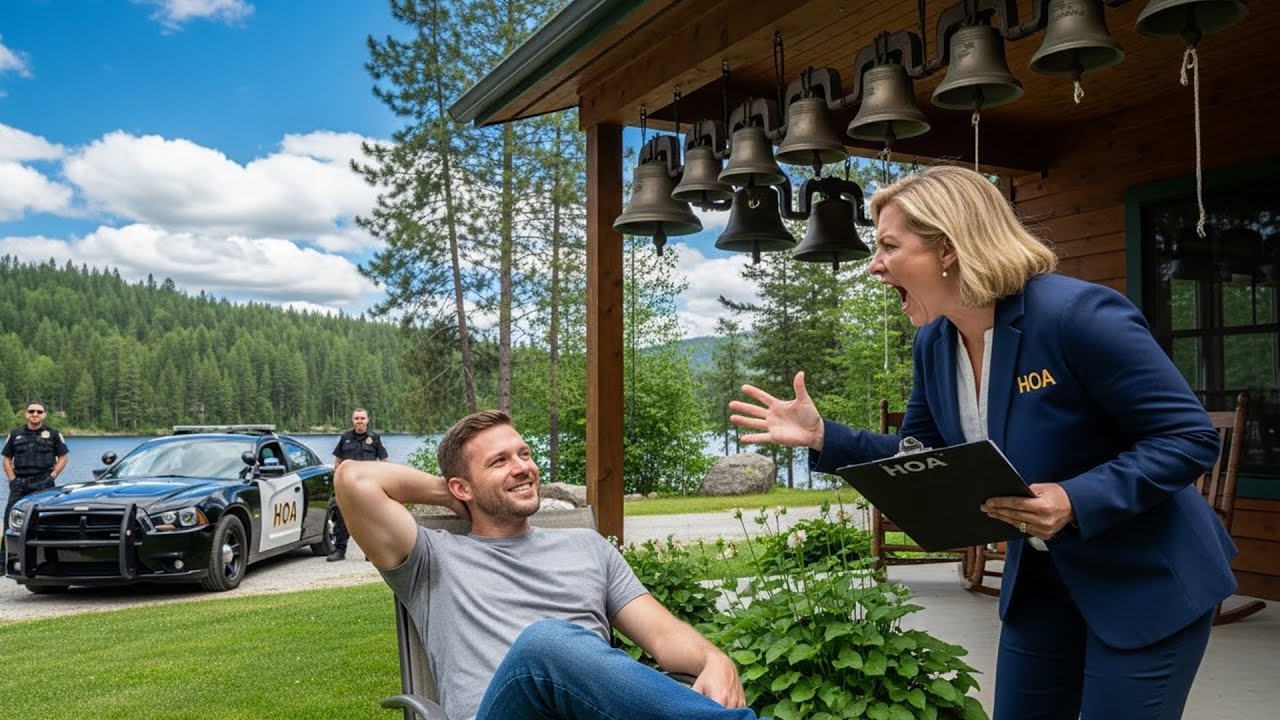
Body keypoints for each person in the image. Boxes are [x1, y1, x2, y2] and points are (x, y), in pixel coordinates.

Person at [728, 165, 1237, 720]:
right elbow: (924, 462)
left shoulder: (1077, 316)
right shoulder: (934, 343)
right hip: (1041, 583)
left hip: (1146, 581)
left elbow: (1187, 436)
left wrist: (1073, 500)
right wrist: (827, 437)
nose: (874, 265)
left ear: (947, 248)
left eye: (889, 246)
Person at [335, 409, 764, 720]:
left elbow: (664, 634)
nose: (523, 468)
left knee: (552, 643)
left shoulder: (588, 547)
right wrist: (451, 495)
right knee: (545, 644)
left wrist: (715, 660)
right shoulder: (431, 558)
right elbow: (353, 480)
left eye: (524, 454)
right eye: (499, 461)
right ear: (461, 486)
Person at [327, 407, 388, 561]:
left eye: (362, 418)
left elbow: (384, 463)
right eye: (356, 418)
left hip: (368, 487)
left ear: (367, 420)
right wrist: (338, 483)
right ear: (352, 420)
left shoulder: (375, 438)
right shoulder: (345, 438)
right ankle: (339, 551)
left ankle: (370, 552)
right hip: (348, 486)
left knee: (370, 520)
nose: (359, 421)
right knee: (343, 519)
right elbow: (338, 463)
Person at [4, 401, 70, 525]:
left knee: (46, 519)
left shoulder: (54, 434)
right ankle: (8, 545)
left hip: (44, 482)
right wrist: (12, 479)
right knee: (11, 517)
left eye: (39, 412)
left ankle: (44, 545)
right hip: (19, 483)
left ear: (44, 415)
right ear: (26, 414)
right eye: (31, 411)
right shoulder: (15, 434)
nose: (35, 414)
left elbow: (63, 457)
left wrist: (53, 475)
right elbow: (7, 458)